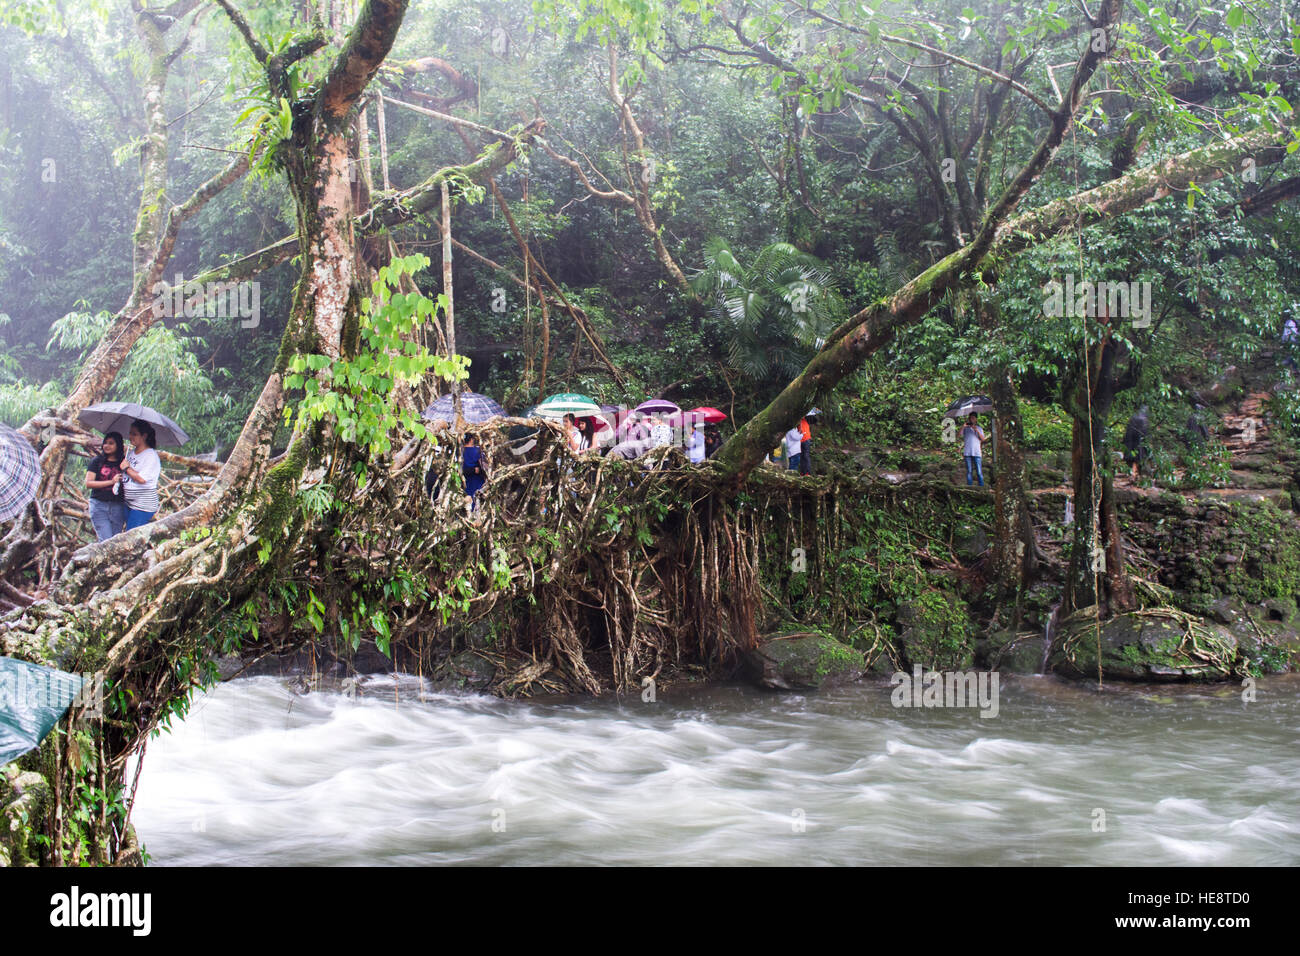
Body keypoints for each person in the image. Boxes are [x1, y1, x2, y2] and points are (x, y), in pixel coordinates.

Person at [85, 431, 127, 541]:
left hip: (118, 506)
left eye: (111, 443)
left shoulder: (123, 463)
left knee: (115, 541)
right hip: (99, 506)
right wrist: (111, 482)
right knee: (106, 541)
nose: (107, 446)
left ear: (118, 445)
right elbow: (88, 483)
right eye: (105, 443)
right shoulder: (97, 461)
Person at [122, 419, 161, 529]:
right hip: (128, 502)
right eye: (130, 433)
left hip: (142, 505)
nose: (131, 437)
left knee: (131, 536)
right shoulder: (130, 453)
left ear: (144, 436)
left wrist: (127, 469)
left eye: (134, 434)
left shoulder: (150, 456)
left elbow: (142, 479)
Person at [1122, 406, 1150, 479]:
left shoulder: (1133, 417)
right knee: (1140, 451)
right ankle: (1136, 472)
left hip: (1132, 440)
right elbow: (1145, 436)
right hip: (1137, 440)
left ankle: (1132, 472)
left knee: (1133, 451)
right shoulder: (1144, 419)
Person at [961, 412, 986, 487]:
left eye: (973, 418)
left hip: (977, 452)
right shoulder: (966, 428)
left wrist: (977, 430)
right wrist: (963, 427)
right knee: (969, 471)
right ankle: (970, 487)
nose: (972, 419)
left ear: (976, 419)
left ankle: (981, 487)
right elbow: (959, 435)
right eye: (970, 418)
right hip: (967, 452)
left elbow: (983, 439)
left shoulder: (979, 428)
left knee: (979, 471)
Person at [463, 433, 486, 507]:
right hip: (477, 479)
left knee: (468, 496)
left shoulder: (459, 451)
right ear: (471, 440)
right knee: (476, 497)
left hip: (465, 479)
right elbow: (484, 464)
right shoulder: (476, 451)